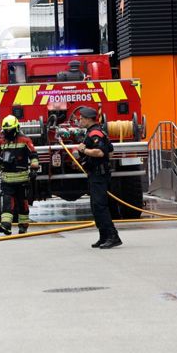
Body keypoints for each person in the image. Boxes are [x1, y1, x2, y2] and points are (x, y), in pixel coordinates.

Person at [76, 107, 120, 249]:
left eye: (82, 118)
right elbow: (111, 151)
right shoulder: (95, 132)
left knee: (100, 206)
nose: (80, 120)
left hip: (99, 175)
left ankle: (113, 236)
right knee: (96, 207)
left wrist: (84, 150)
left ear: (89, 119)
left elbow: (100, 152)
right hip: (97, 174)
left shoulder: (95, 133)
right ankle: (103, 236)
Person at [0, 115, 38, 235]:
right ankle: (6, 225)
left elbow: (33, 155)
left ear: (16, 128)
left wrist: (34, 169)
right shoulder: (2, 142)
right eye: (6, 130)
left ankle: (23, 226)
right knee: (7, 203)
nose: (8, 132)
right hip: (7, 179)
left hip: (22, 179)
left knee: (22, 203)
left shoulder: (25, 140)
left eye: (10, 130)